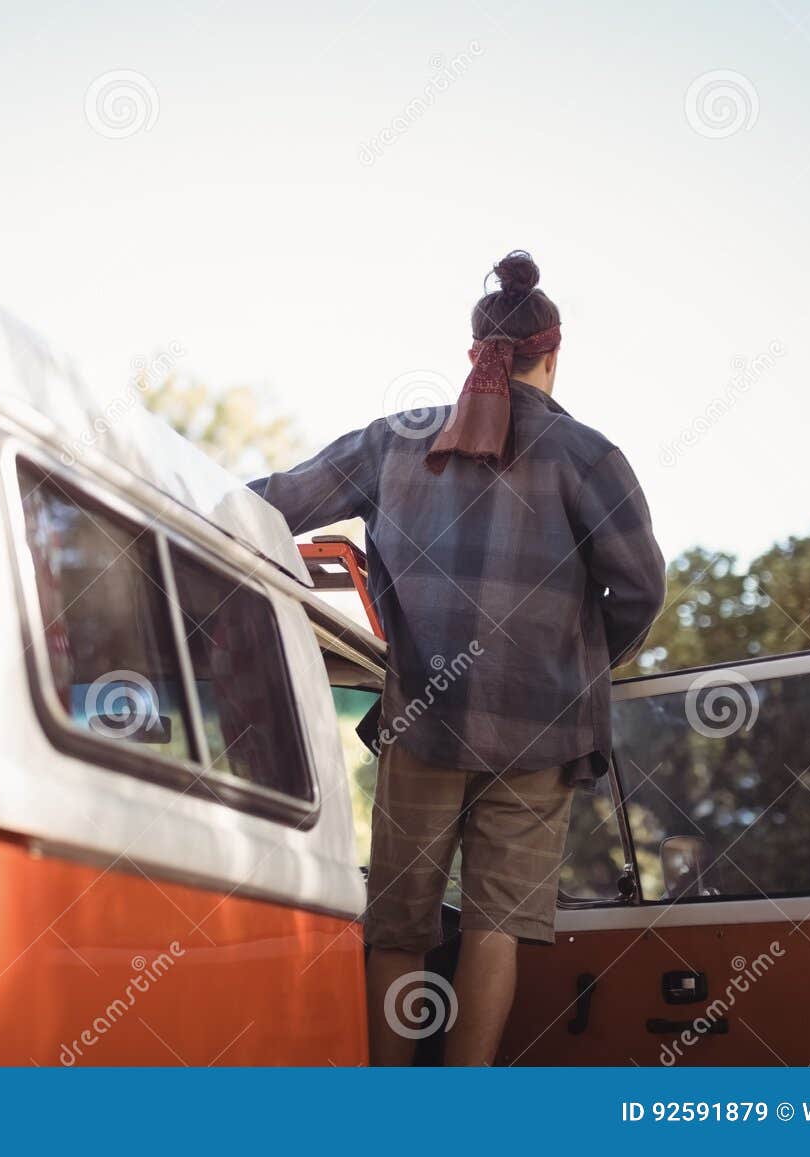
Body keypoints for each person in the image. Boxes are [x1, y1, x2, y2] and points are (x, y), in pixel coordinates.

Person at [249, 250, 665, 1065]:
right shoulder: (590, 456)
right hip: (543, 735)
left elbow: (266, 506)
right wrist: (575, 664)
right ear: (554, 352)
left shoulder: (394, 440)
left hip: (422, 722)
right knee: (496, 925)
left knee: (399, 924)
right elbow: (641, 590)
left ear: (477, 349)